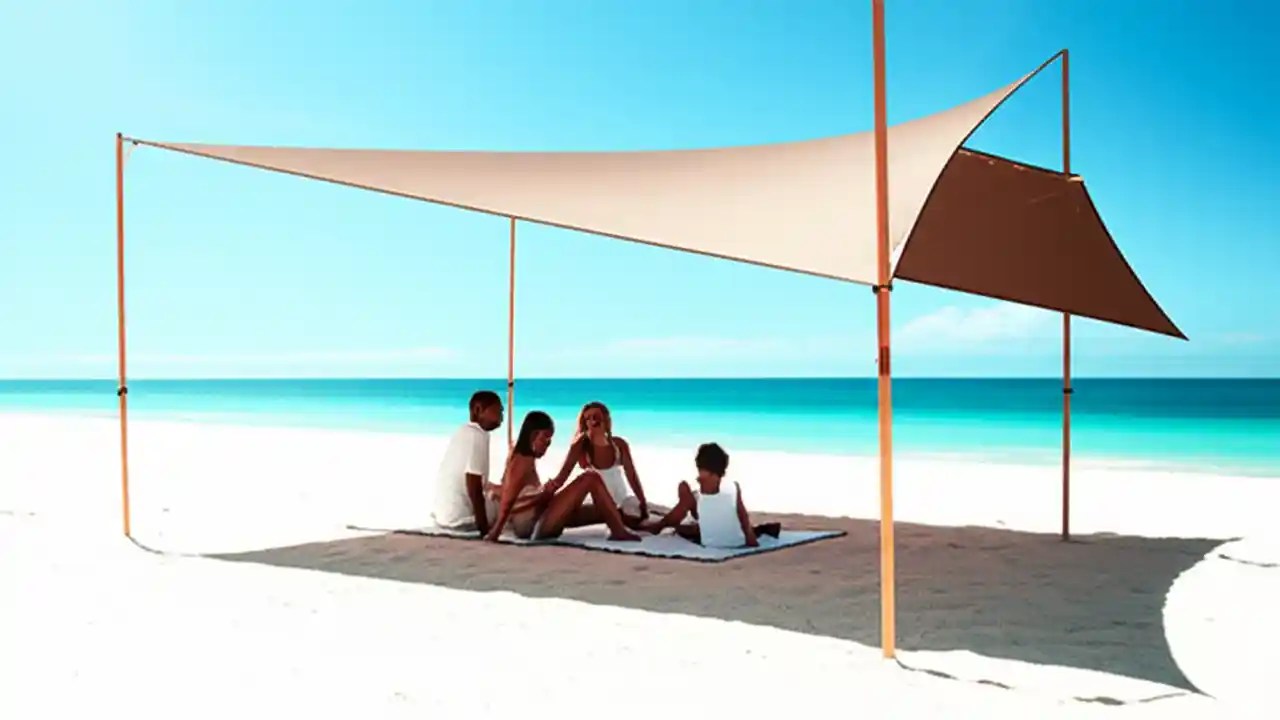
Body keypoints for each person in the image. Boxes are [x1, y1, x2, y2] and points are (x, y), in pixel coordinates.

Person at [484, 410, 642, 543]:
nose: (548, 444)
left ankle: (637, 524)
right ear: (533, 435)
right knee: (590, 478)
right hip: (532, 526)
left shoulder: (522, 456)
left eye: (550, 440)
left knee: (604, 511)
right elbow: (509, 501)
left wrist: (545, 495)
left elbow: (514, 493)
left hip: (540, 514)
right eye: (545, 438)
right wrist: (495, 533)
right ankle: (619, 532)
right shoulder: (522, 461)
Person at [643, 442, 780, 548]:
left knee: (684, 492)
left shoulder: (699, 490)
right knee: (692, 507)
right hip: (736, 541)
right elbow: (742, 515)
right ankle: (663, 525)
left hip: (710, 541)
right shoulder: (734, 487)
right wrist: (751, 539)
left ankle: (660, 526)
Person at [546, 401, 650, 527]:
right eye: (588, 418)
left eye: (596, 416)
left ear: (606, 419)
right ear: (585, 424)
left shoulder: (619, 444)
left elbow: (632, 476)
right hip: (594, 502)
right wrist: (546, 495)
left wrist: (642, 501)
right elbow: (562, 476)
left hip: (620, 500)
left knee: (635, 514)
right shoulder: (581, 446)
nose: (593, 420)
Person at [431, 390, 503, 534]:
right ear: (478, 410)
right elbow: (473, 484)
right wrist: (484, 529)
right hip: (460, 520)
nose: (501, 416)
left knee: (494, 495)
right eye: (497, 411)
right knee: (504, 505)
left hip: (443, 517)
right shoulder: (477, 435)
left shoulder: (463, 431)